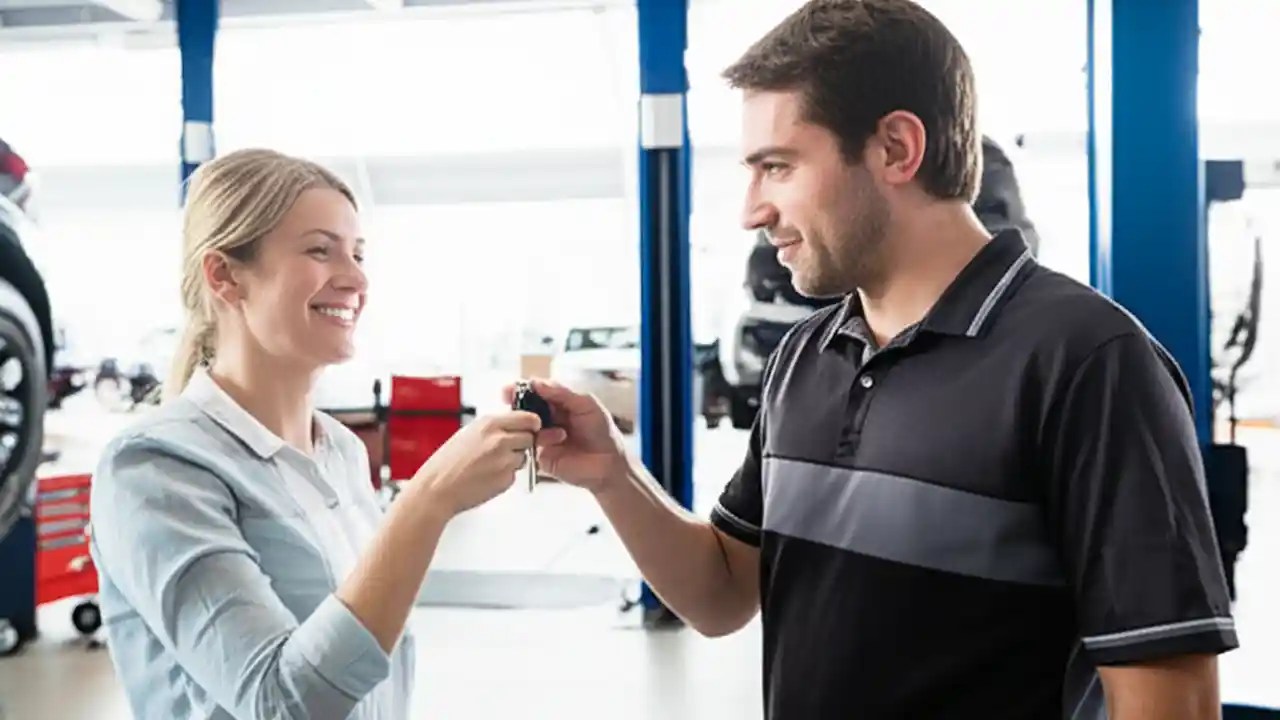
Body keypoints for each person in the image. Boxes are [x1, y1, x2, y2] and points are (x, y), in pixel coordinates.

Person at [517, 1, 1238, 718]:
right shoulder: (804, 357)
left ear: (896, 148)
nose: (751, 210)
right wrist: (613, 474)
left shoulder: (1088, 363)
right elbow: (721, 593)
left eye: (778, 167)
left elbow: (1168, 697)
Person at [88, 148, 560, 720]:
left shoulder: (340, 450)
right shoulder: (155, 469)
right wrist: (428, 501)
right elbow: (280, 704)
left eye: (358, 254)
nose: (356, 278)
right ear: (225, 276)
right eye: (320, 250)